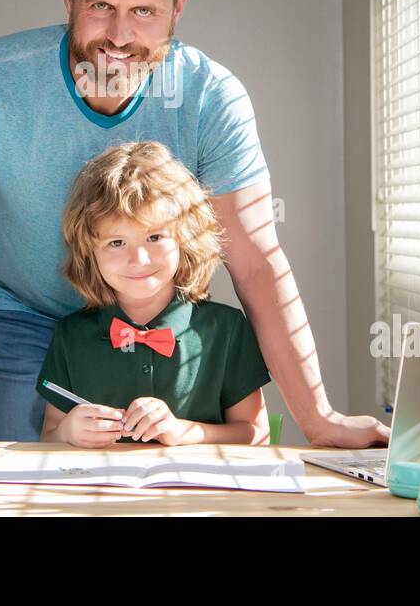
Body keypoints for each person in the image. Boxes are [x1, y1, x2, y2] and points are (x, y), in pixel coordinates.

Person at [0, 0, 389, 449]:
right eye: (101, 6)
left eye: (144, 11)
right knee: (21, 483)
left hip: (157, 316)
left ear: (179, 5)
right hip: (26, 316)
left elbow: (256, 260)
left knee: (162, 485)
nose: (119, 36)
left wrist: (318, 419)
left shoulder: (210, 97)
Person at [38, 142, 269, 447]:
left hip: (198, 493)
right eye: (117, 242)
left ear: (185, 237)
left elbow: (256, 435)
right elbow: (48, 437)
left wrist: (183, 432)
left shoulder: (226, 330)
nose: (140, 259)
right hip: (100, 491)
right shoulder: (70, 336)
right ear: (88, 252)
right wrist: (68, 432)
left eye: (155, 237)